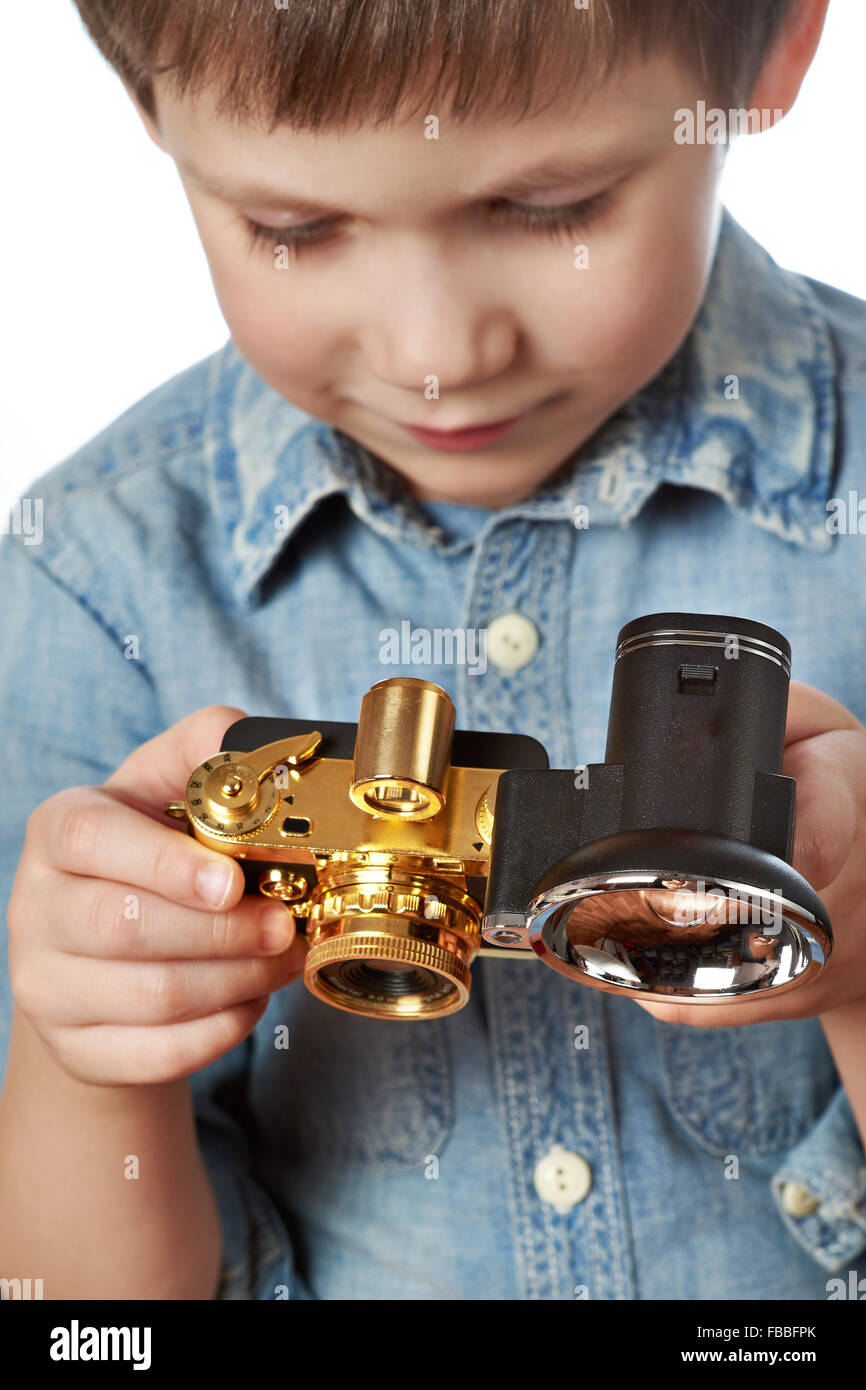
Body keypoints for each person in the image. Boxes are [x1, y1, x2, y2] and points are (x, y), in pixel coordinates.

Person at [2, 0, 866, 1301]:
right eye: (294, 230)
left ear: (777, 48)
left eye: (552, 206)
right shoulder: (91, 576)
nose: (436, 355)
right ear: (147, 110)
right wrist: (85, 1064)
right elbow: (87, 1329)